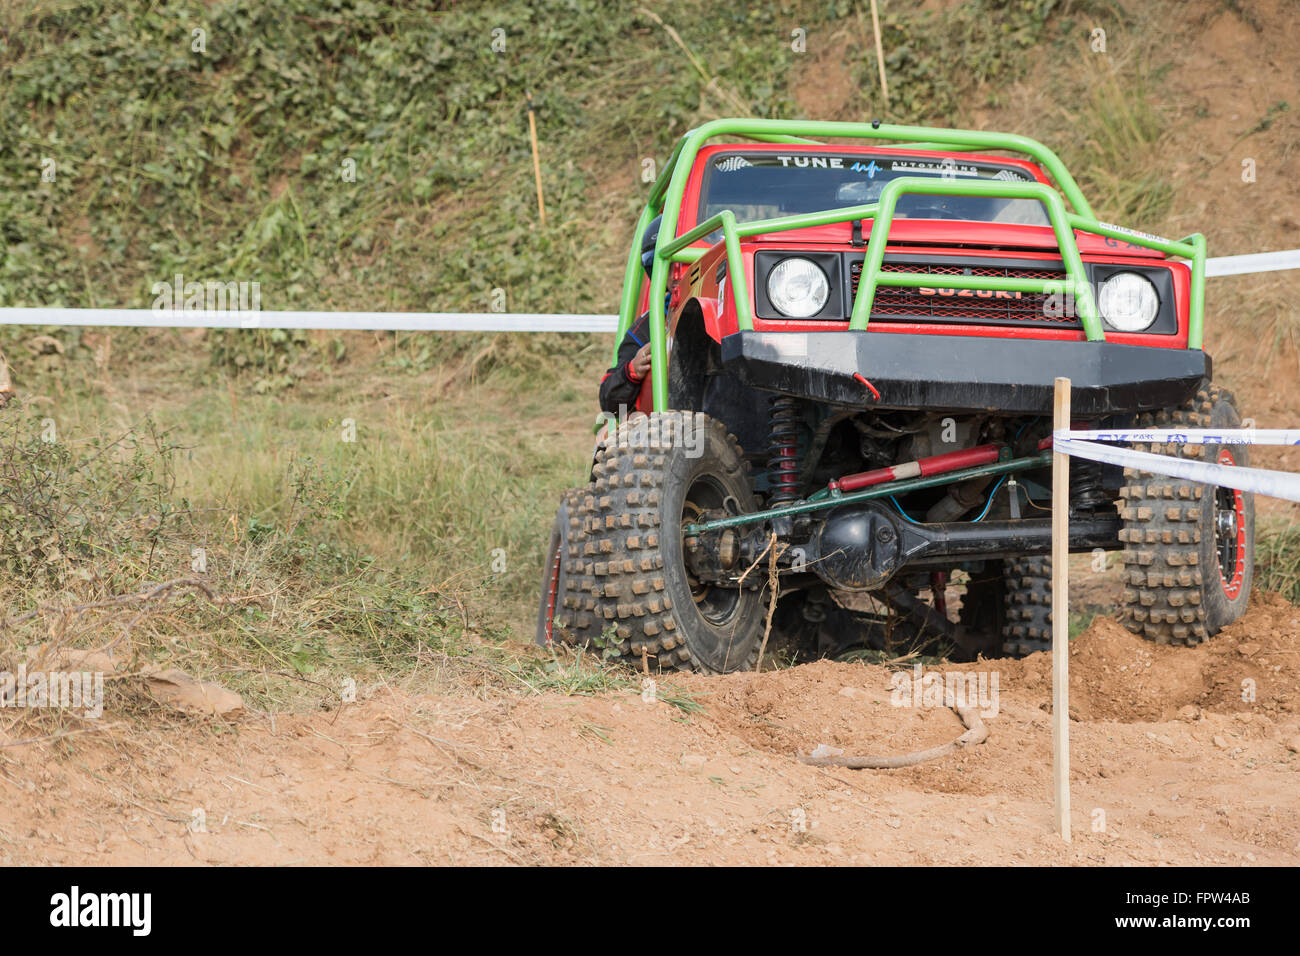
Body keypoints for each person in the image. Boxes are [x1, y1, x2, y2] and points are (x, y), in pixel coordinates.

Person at [598, 215, 662, 417]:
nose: (677, 274)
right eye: (667, 267)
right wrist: (632, 370)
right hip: (664, 433)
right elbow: (609, 402)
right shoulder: (645, 329)